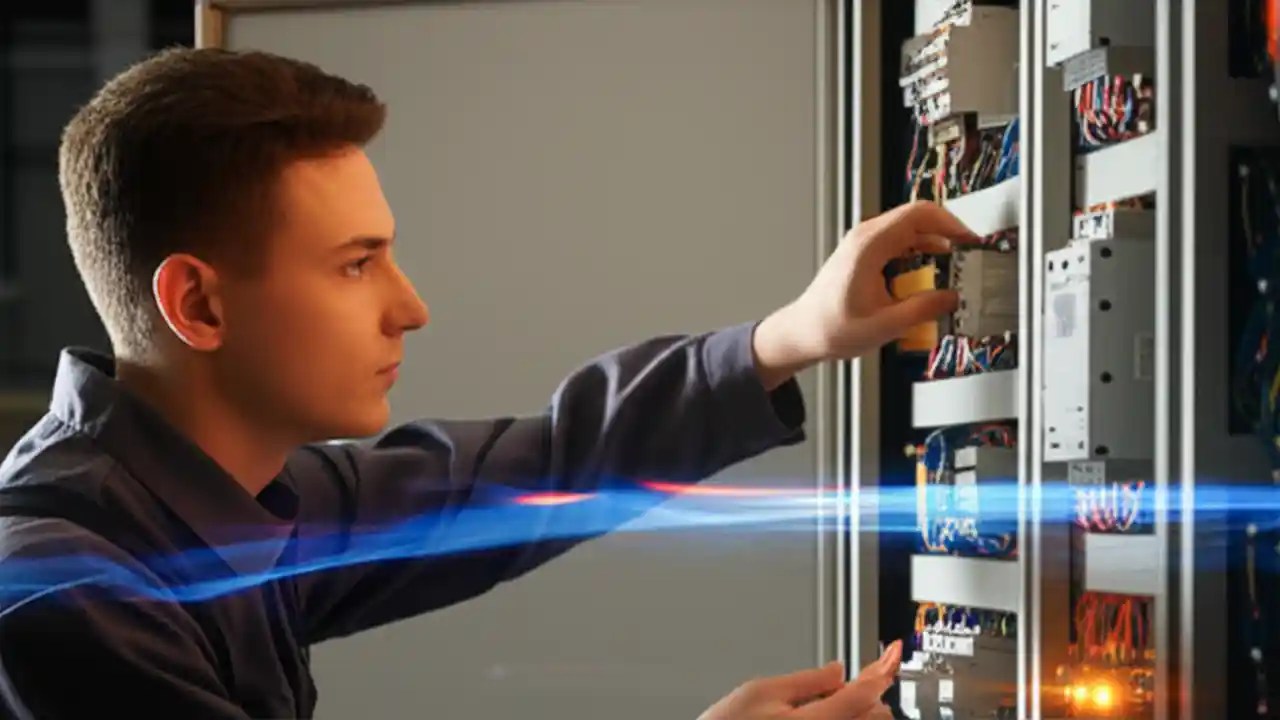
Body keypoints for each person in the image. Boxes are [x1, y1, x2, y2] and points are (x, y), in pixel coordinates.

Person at [0, 47, 972, 719]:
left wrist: (792, 336)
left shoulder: (230, 496)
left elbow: (538, 468)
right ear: (198, 305)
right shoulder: (64, 594)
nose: (410, 306)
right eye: (355, 264)